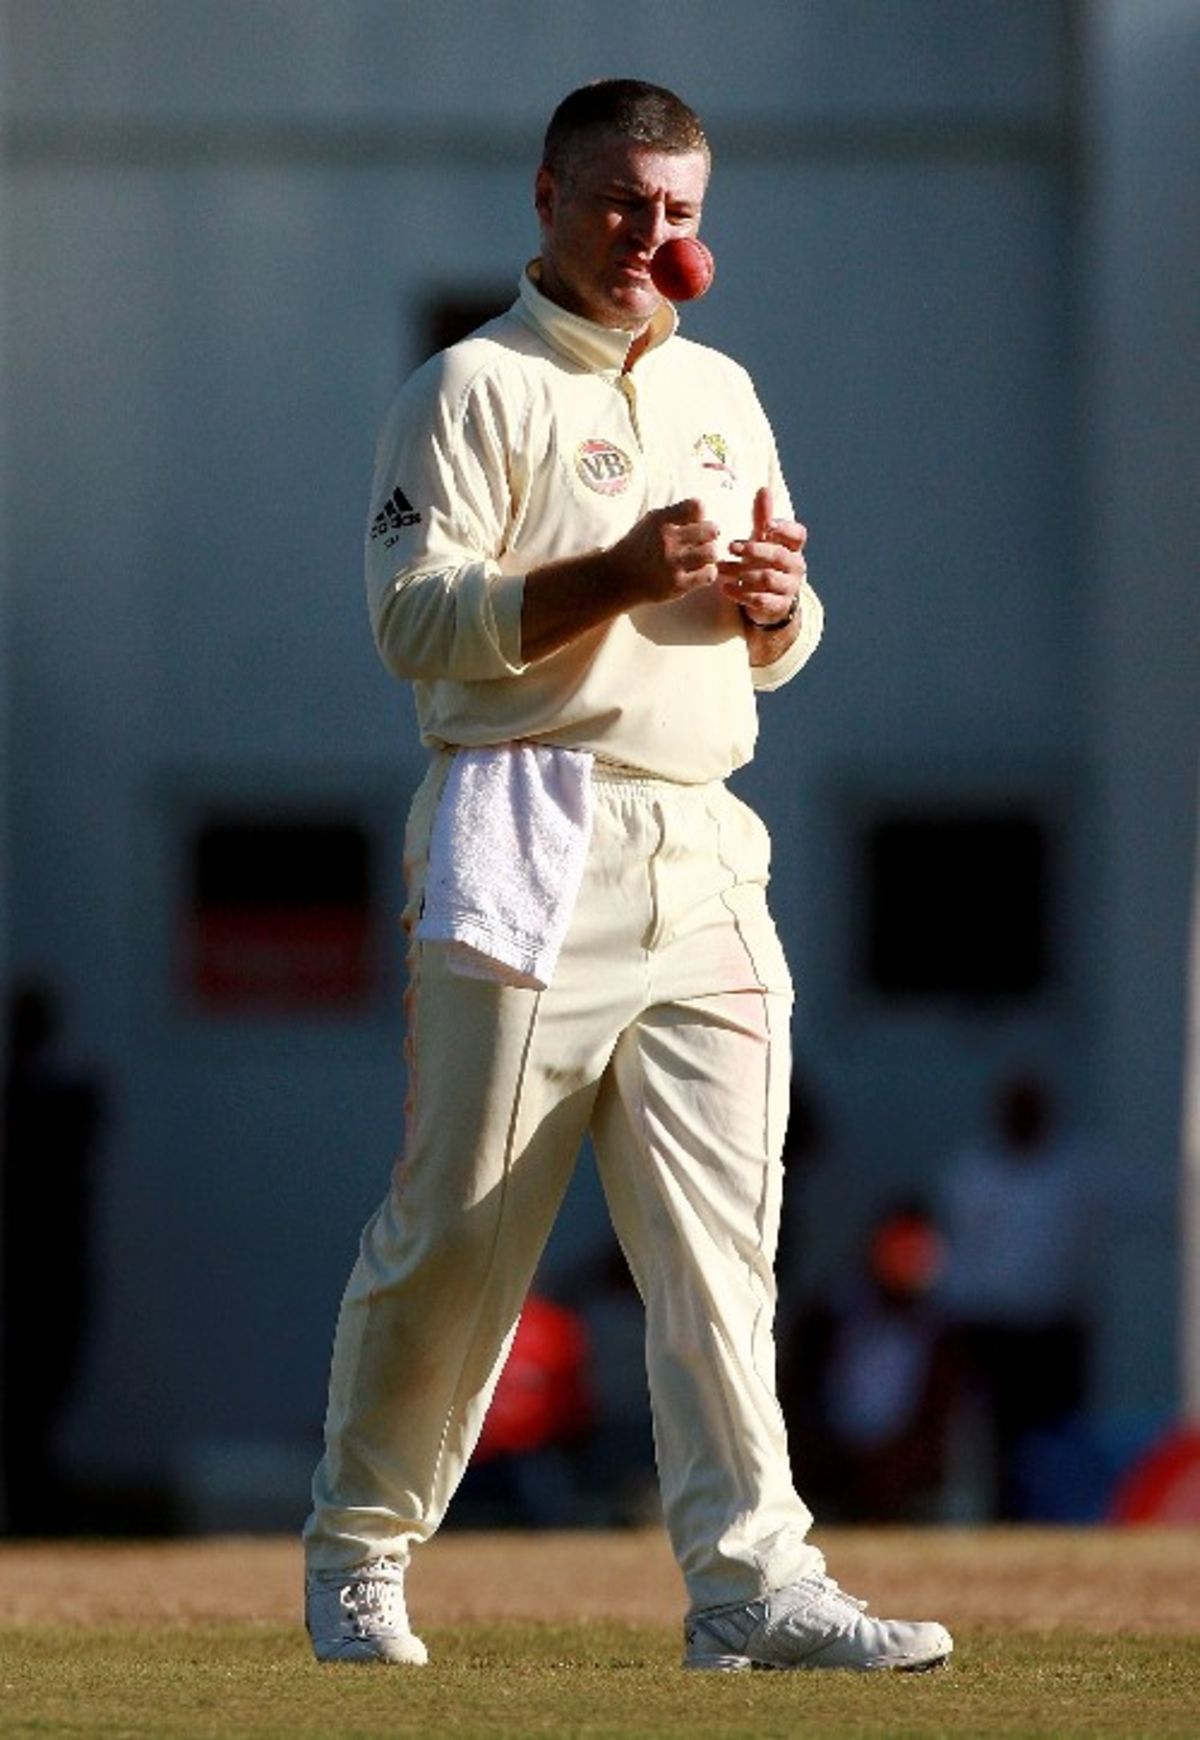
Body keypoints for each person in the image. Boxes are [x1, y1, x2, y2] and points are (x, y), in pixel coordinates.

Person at [303, 79, 952, 1675]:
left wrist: (777, 604)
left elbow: (780, 652)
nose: (654, 241)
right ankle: (360, 1554)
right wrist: (611, 570)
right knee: (463, 1226)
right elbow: (415, 623)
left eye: (679, 212)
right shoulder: (469, 386)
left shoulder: (724, 388)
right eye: (621, 205)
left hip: (704, 837)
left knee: (724, 1244)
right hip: (521, 818)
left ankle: (753, 1587)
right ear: (546, 197)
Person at [939, 1069, 1094, 1519]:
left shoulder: (1074, 1170)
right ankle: (1002, 1516)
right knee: (997, 1438)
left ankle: (1061, 1516)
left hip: (1054, 1330)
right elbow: (962, 1252)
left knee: (1058, 1436)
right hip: (995, 1330)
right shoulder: (974, 1173)